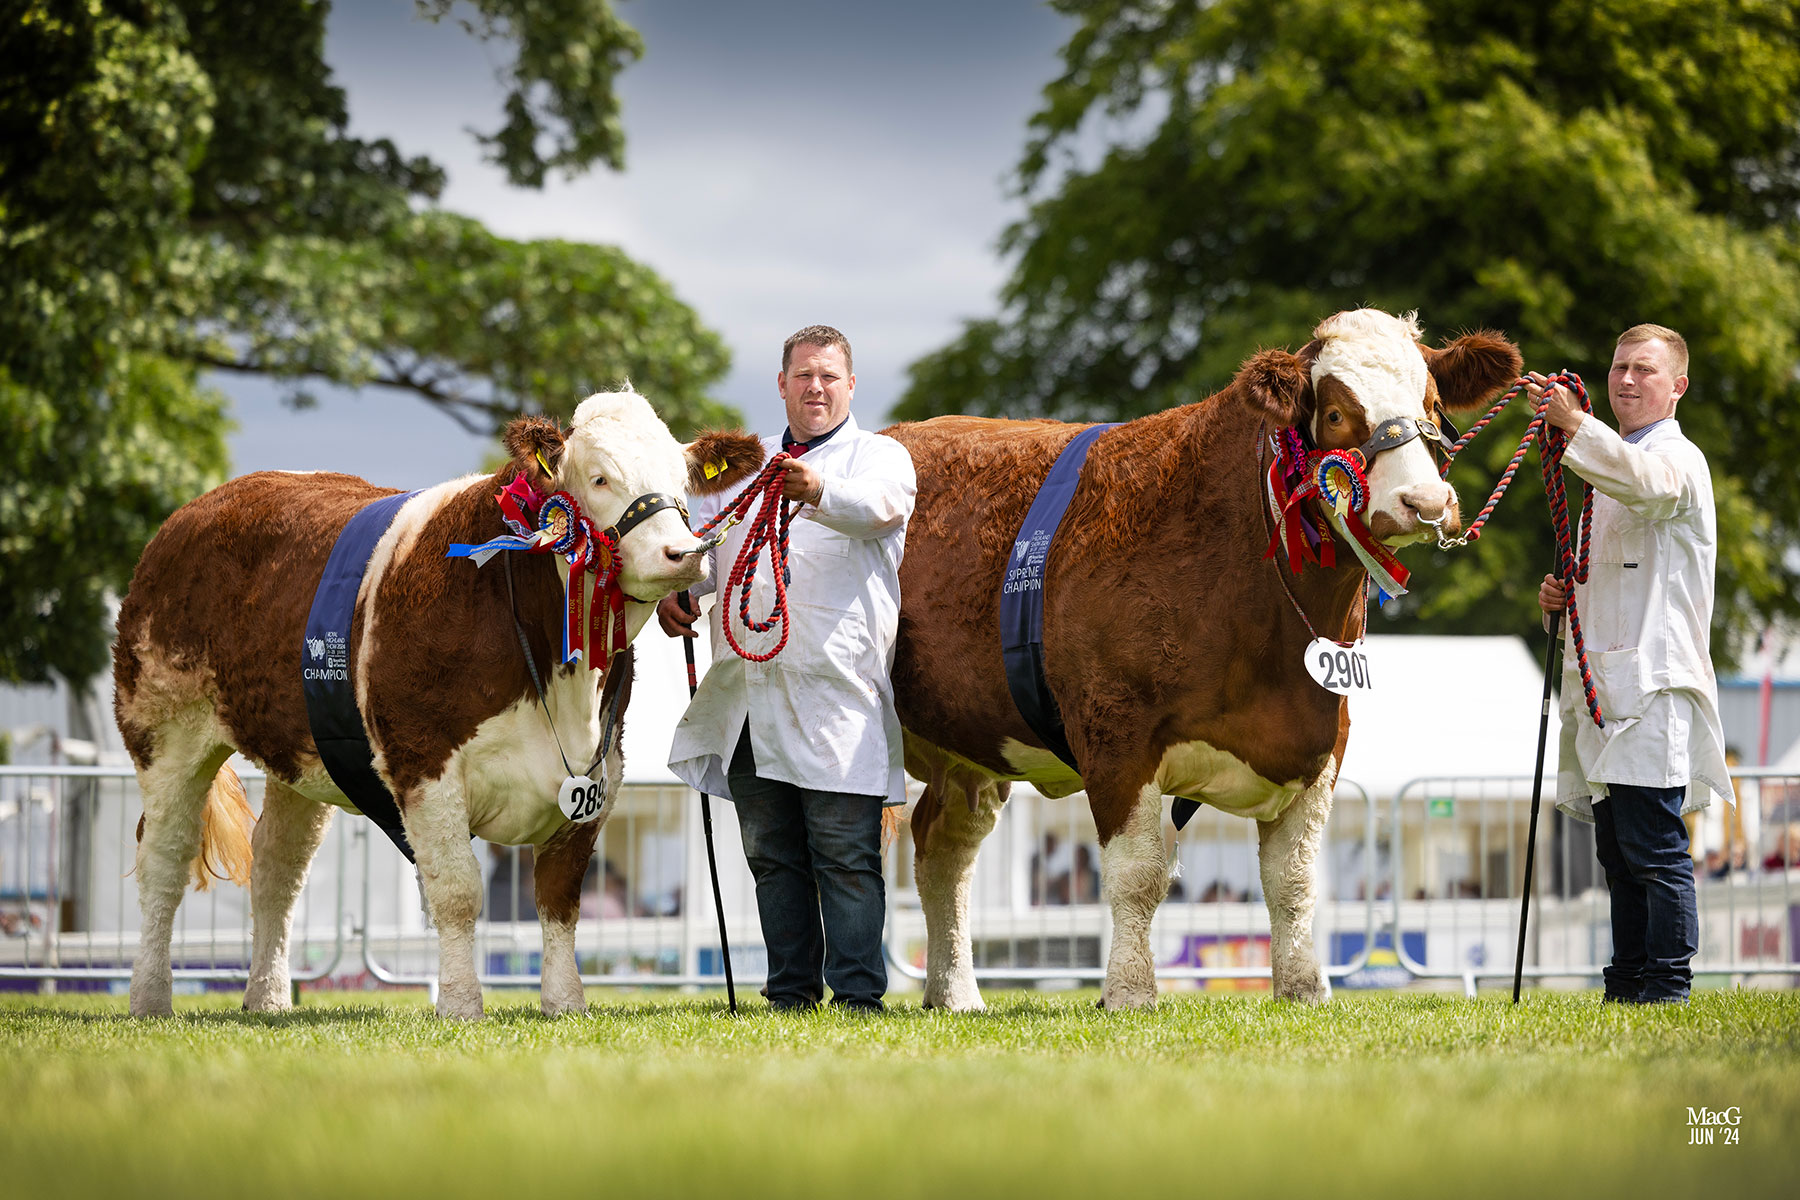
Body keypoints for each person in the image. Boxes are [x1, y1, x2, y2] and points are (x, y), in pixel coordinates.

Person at [660, 325, 916, 1013]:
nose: (816, 388)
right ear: (781, 384)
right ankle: (791, 995)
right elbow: (709, 550)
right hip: (749, 689)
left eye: (829, 376)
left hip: (838, 692)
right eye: (803, 375)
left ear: (851, 385)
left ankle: (860, 997)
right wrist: (682, 593)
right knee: (772, 857)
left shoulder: (879, 457)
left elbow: (877, 511)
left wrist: (817, 489)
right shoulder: (744, 467)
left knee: (846, 857)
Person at [1528, 324, 1732, 1005]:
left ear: (1677, 386)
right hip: (1608, 687)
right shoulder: (1605, 472)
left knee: (1654, 849)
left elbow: (1650, 487)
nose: (1625, 380)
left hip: (1653, 685)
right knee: (1618, 854)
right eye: (1619, 366)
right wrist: (1564, 593)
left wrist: (1574, 424)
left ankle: (1667, 987)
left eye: (1644, 370)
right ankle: (1628, 984)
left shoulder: (1678, 460)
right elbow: (1613, 576)